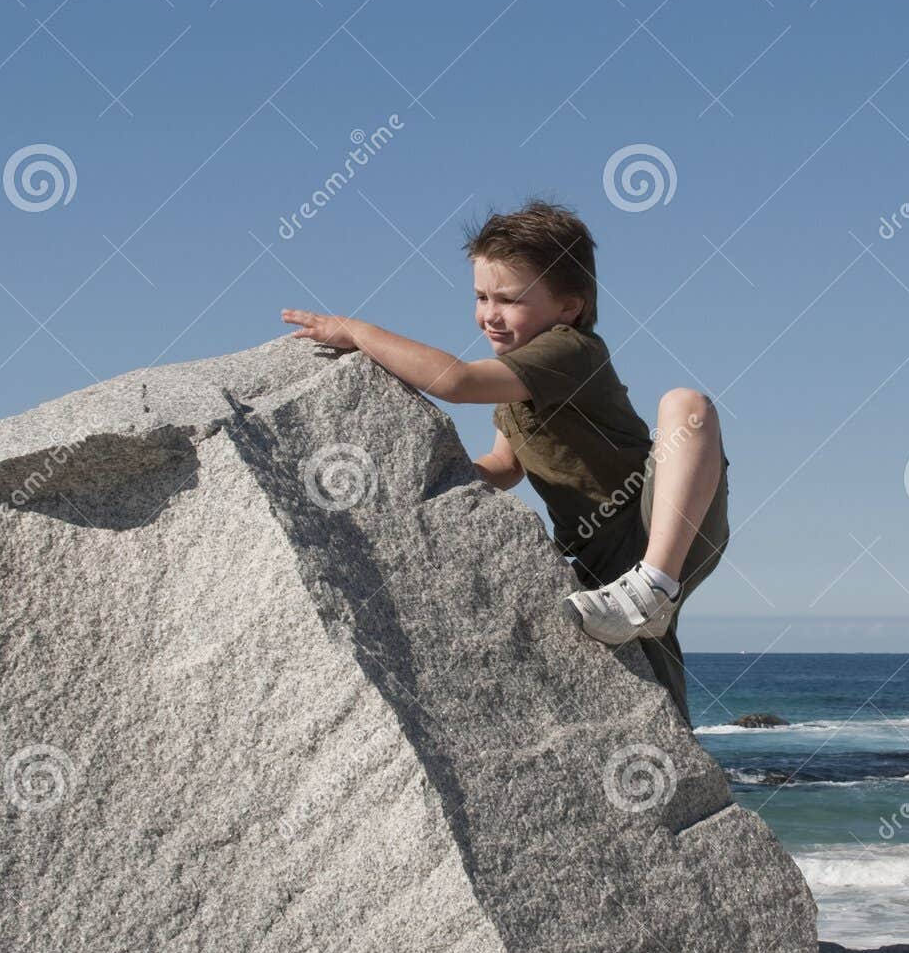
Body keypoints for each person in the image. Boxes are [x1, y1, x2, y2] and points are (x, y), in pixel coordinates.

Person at [280, 198, 729, 728]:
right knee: (653, 694)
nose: (489, 313)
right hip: (599, 561)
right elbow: (505, 465)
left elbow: (456, 382)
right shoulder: (516, 387)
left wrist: (359, 332)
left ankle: (656, 585)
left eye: (509, 300)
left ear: (568, 307)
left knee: (686, 406)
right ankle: (655, 636)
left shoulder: (570, 350)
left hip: (658, 523)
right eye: (480, 296)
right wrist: (432, 485)